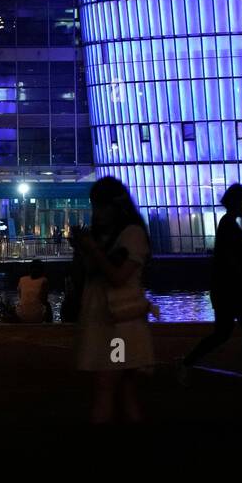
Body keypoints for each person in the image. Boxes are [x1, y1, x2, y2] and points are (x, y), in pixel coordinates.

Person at [71, 177, 158, 425]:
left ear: (114, 206)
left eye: (100, 206)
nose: (96, 212)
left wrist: (92, 249)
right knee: (125, 388)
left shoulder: (131, 235)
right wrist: (82, 250)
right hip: (112, 321)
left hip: (118, 326)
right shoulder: (114, 235)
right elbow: (91, 273)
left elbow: (118, 277)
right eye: (94, 206)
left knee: (106, 385)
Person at [178, 184, 242, 384]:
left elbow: (226, 258)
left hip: (226, 288)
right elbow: (230, 259)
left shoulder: (227, 224)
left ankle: (188, 362)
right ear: (237, 202)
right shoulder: (229, 225)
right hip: (233, 289)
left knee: (224, 332)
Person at [0, 258, 52, 323]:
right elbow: (44, 300)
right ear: (42, 270)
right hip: (37, 317)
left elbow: (20, 296)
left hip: (21, 316)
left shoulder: (22, 279)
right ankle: (50, 326)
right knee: (48, 306)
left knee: (13, 308)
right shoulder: (44, 280)